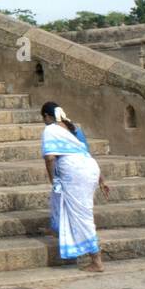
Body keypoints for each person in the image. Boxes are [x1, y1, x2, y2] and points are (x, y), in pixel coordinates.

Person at [40, 101, 109, 272]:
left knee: (81, 215)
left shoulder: (51, 129)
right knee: (59, 199)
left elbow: (50, 158)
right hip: (89, 169)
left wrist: (53, 179)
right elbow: (86, 154)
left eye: (43, 118)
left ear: (47, 117)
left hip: (75, 174)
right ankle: (57, 229)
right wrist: (101, 180)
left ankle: (96, 260)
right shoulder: (73, 128)